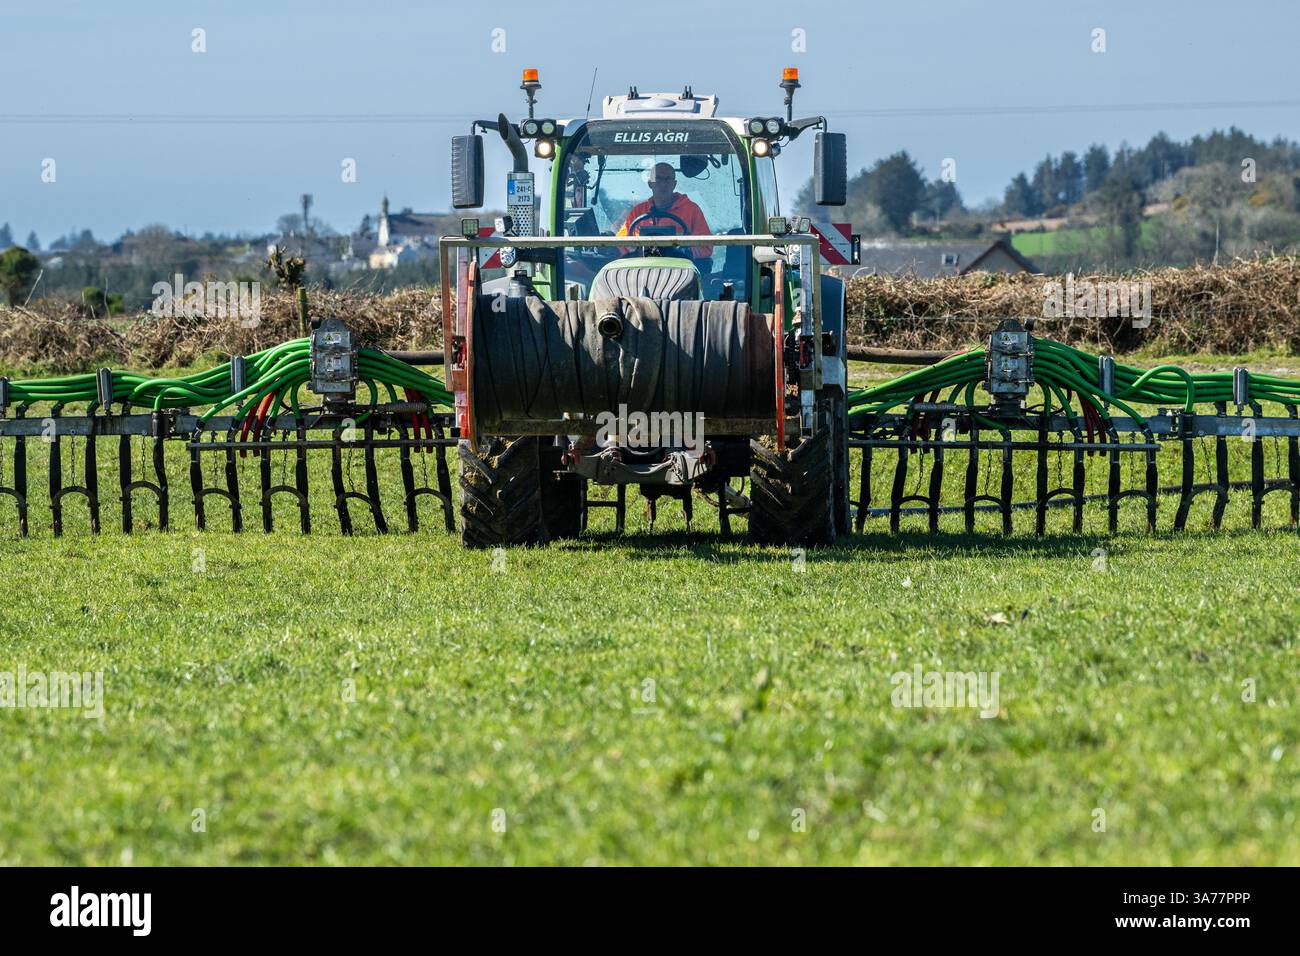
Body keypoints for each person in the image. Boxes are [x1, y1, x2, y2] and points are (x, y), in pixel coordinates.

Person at [616, 162, 713, 259]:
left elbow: (706, 247)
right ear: (650, 183)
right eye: (658, 179)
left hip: (680, 268)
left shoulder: (691, 210)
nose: (663, 184)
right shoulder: (638, 211)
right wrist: (638, 251)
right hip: (642, 268)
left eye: (667, 179)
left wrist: (683, 251)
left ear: (674, 184)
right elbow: (620, 242)